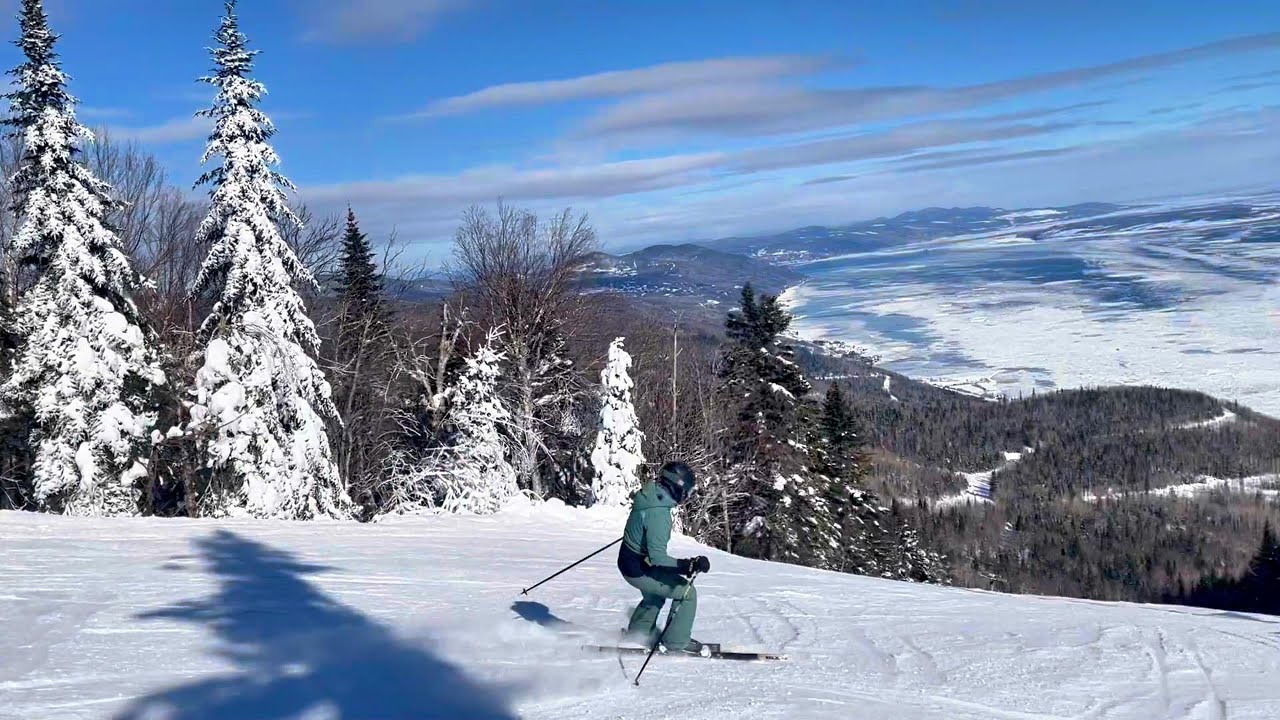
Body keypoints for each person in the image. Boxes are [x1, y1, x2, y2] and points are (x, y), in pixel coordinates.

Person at [616, 461, 711, 654]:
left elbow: (644, 526)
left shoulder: (650, 497)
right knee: (687, 593)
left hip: (631, 561)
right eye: (687, 492)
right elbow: (659, 558)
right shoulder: (659, 514)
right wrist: (688, 565)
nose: (686, 497)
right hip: (638, 568)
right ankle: (676, 642)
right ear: (677, 487)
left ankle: (638, 634)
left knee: (657, 594)